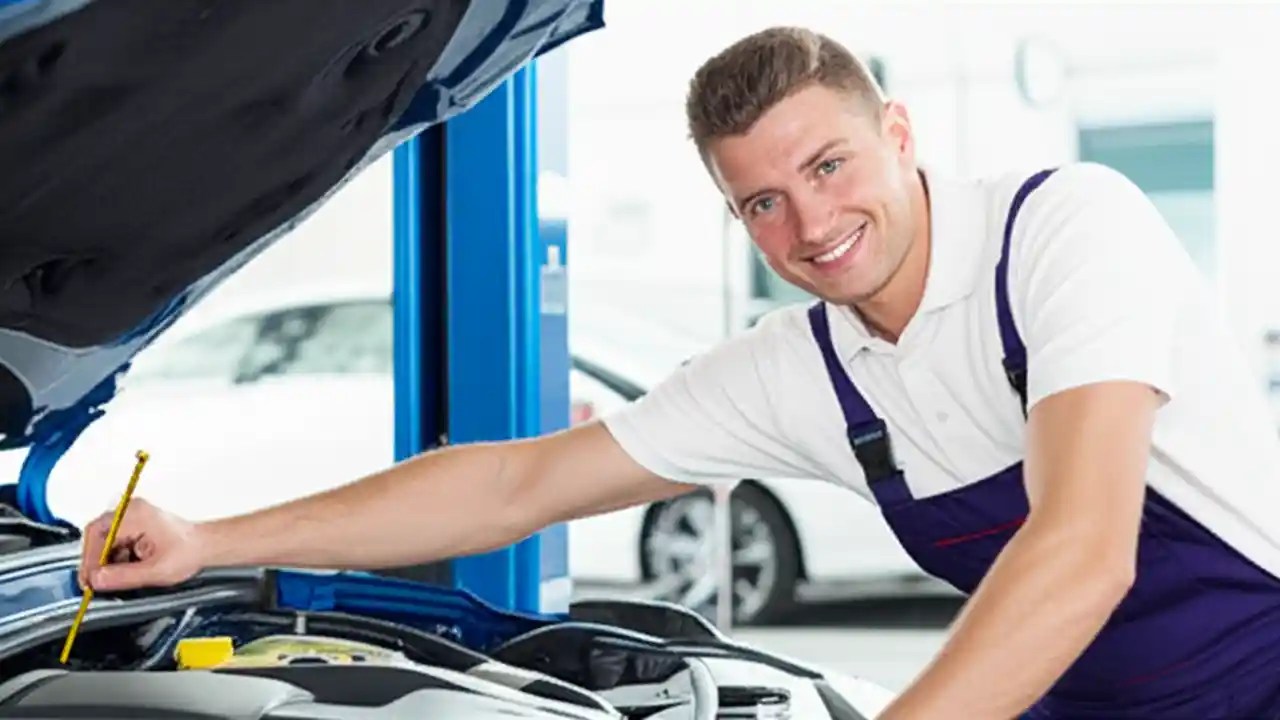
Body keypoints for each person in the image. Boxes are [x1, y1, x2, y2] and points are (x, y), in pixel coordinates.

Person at [78, 26, 1280, 719]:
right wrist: (210, 540)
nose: (808, 225)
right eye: (760, 200)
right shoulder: (807, 368)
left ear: (898, 135)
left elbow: (1081, 549)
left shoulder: (1067, 228)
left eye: (827, 165)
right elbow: (513, 487)